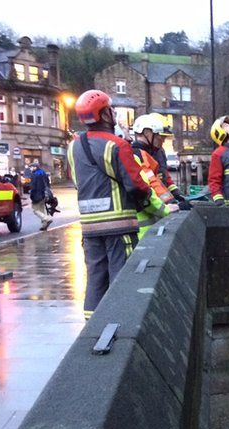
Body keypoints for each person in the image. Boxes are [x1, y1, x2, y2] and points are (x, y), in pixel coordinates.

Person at [67, 89, 175, 319]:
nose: (113, 113)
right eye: (110, 110)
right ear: (105, 115)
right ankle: (120, 322)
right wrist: (163, 210)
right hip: (119, 226)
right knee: (121, 277)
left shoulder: (74, 146)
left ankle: (92, 325)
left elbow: (78, 181)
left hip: (89, 227)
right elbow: (137, 186)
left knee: (95, 279)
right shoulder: (117, 146)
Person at [28, 161, 53, 231]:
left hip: (37, 195)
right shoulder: (43, 173)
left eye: (31, 167)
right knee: (42, 209)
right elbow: (48, 183)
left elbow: (33, 187)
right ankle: (44, 225)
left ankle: (47, 219)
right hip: (45, 194)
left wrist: (31, 195)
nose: (30, 169)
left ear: (35, 167)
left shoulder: (34, 175)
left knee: (35, 210)